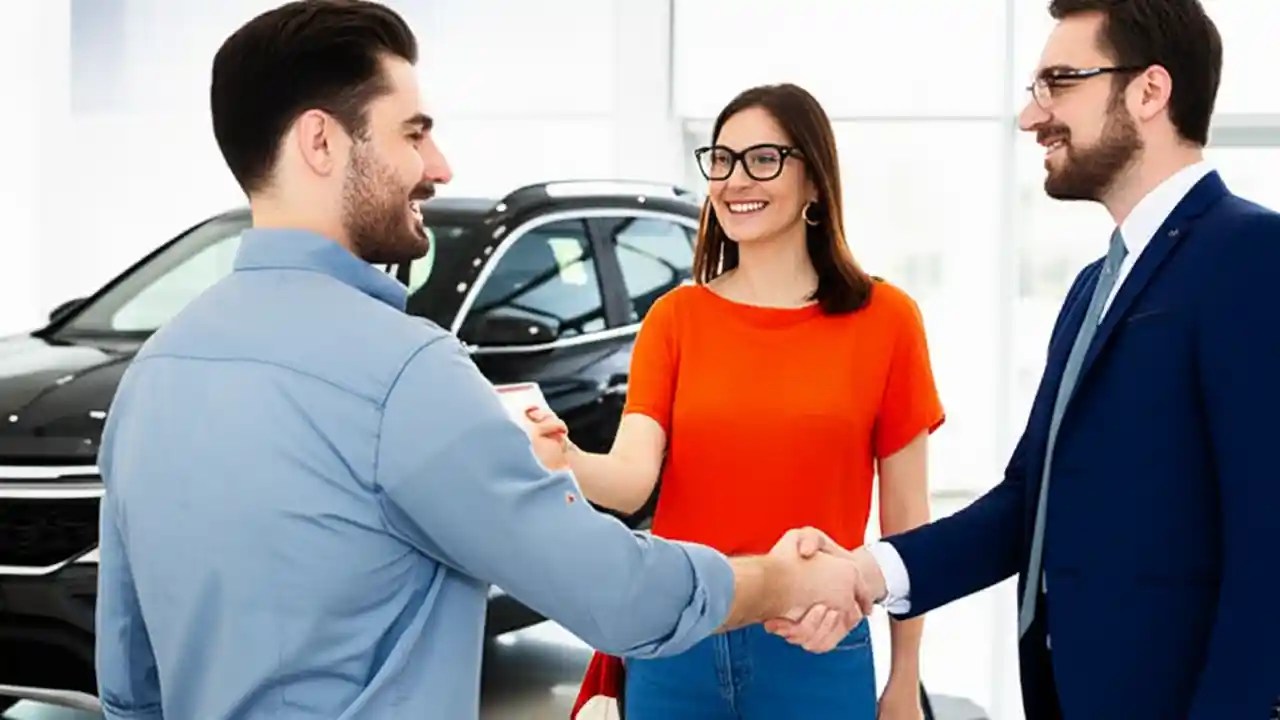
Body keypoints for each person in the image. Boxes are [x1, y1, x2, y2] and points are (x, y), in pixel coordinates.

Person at [91, 3, 871, 719]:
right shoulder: (405, 374)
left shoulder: (153, 376)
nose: (440, 164)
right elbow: (618, 593)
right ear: (321, 141)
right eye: (413, 132)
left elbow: (130, 685)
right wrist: (783, 580)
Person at [769, 1, 1280, 718]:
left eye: (1059, 82)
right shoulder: (1090, 289)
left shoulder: (1253, 256)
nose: (1031, 116)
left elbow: (1270, 547)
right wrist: (866, 571)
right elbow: (1029, 505)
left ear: (1150, 91)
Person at [531, 83, 944, 720]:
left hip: (817, 641)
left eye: (762, 159)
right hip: (678, 635)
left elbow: (906, 522)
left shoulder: (886, 320)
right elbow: (630, 479)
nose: (733, 179)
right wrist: (565, 458)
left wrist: (904, 681)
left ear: (815, 181)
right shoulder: (676, 319)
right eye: (721, 160)